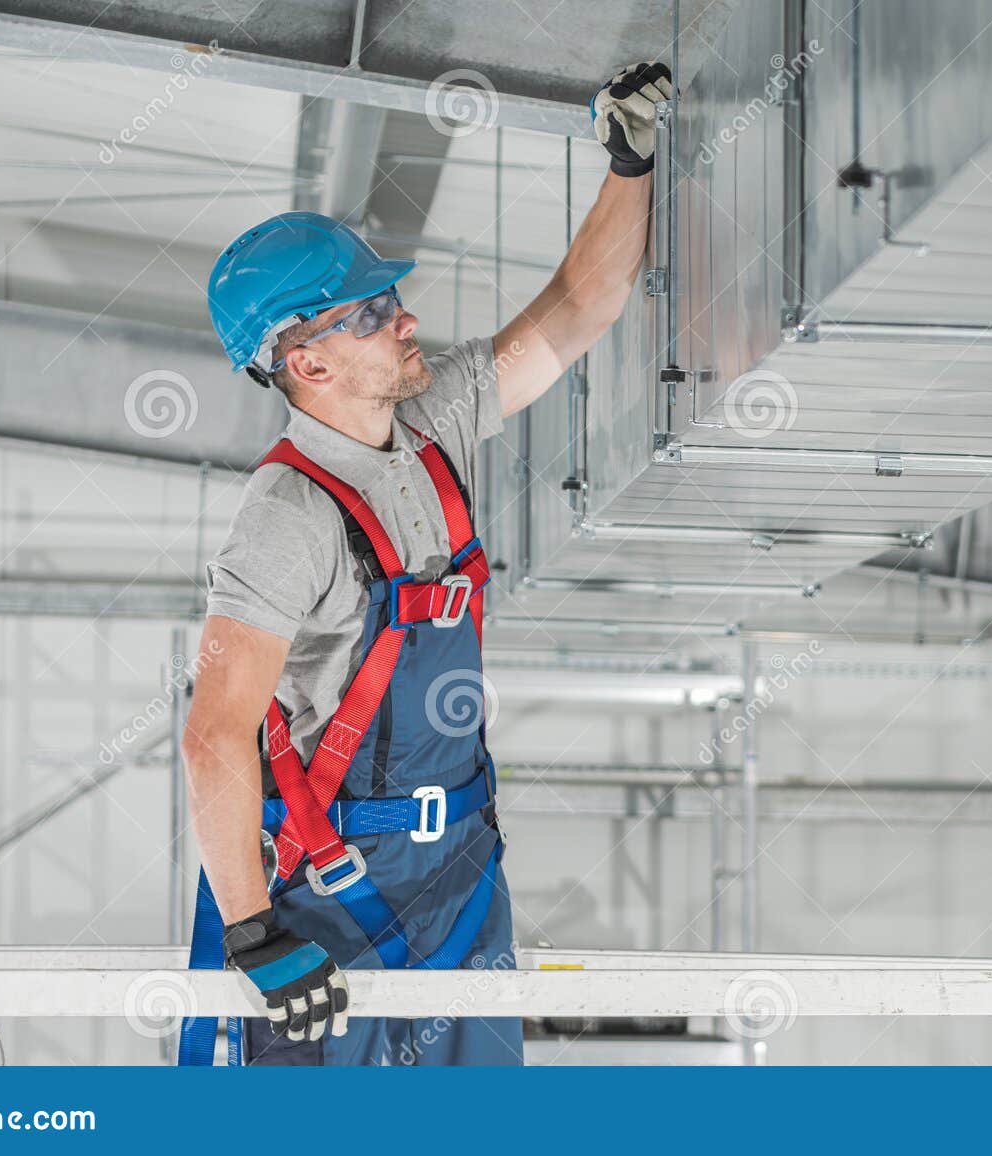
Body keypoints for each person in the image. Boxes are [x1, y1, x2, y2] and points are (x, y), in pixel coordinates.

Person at [179, 61, 672, 1065]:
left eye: (391, 297)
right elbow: (214, 733)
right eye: (370, 312)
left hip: (462, 870)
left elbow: (579, 305)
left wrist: (630, 165)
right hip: (327, 887)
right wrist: (253, 934)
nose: (404, 319)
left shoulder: (434, 423)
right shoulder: (287, 514)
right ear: (306, 362)